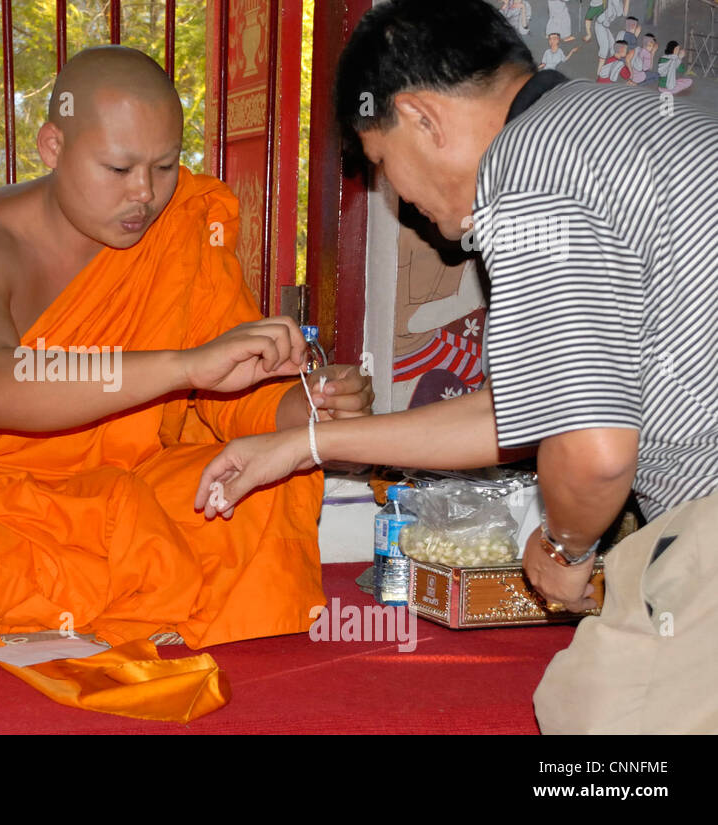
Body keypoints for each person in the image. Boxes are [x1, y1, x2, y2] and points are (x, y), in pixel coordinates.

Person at [197, 0, 718, 733]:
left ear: (422, 119)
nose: (400, 201)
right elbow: (511, 414)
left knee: (600, 718)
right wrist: (302, 443)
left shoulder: (530, 167)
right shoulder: (619, 125)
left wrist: (566, 549)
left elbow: (593, 452)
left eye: (382, 165)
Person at [0, 46, 373, 649]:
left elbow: (226, 399)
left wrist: (307, 407)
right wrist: (184, 366)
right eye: (119, 169)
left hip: (119, 496)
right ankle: (125, 594)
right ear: (53, 147)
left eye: (164, 168)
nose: (145, 195)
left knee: (263, 486)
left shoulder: (181, 228)